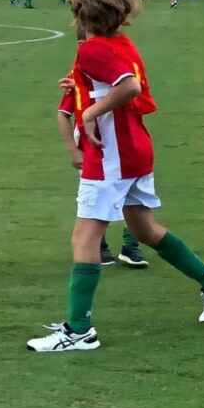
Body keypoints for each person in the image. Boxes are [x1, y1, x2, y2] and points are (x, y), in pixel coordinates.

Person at [25, 0, 204, 353]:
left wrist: (90, 110)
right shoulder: (120, 43)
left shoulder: (91, 50)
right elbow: (118, 82)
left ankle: (78, 330)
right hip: (135, 148)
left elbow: (129, 87)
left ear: (80, 14)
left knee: (84, 237)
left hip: (112, 155)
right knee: (144, 228)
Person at [56, 64, 145, 269]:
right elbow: (63, 113)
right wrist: (73, 150)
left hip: (122, 146)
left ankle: (130, 245)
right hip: (92, 150)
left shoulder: (121, 72)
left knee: (129, 197)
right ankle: (99, 246)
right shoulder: (77, 77)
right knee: (93, 199)